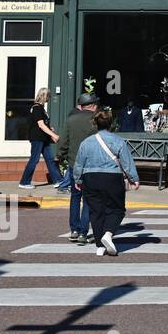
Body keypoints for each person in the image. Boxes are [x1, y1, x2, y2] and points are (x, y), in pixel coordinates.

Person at [73, 107, 140, 257]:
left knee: (95, 211)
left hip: (90, 177)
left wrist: (77, 178)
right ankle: (108, 234)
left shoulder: (86, 142)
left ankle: (99, 245)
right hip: (112, 177)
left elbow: (79, 163)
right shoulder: (118, 141)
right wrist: (134, 178)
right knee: (117, 209)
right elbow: (127, 162)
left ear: (96, 124)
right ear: (111, 124)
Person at [56, 93, 99, 243]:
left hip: (75, 164)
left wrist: (59, 156)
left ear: (81, 106)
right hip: (91, 164)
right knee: (88, 199)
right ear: (92, 106)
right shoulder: (96, 121)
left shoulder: (70, 120)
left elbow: (63, 142)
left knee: (75, 197)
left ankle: (74, 229)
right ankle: (82, 232)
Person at [18, 88, 62, 189]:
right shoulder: (37, 108)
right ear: (44, 96)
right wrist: (54, 135)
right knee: (34, 159)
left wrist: (50, 130)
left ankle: (58, 181)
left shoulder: (41, 108)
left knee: (50, 159)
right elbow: (41, 125)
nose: (49, 98)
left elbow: (43, 124)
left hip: (43, 138)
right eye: (48, 96)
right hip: (37, 138)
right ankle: (24, 182)